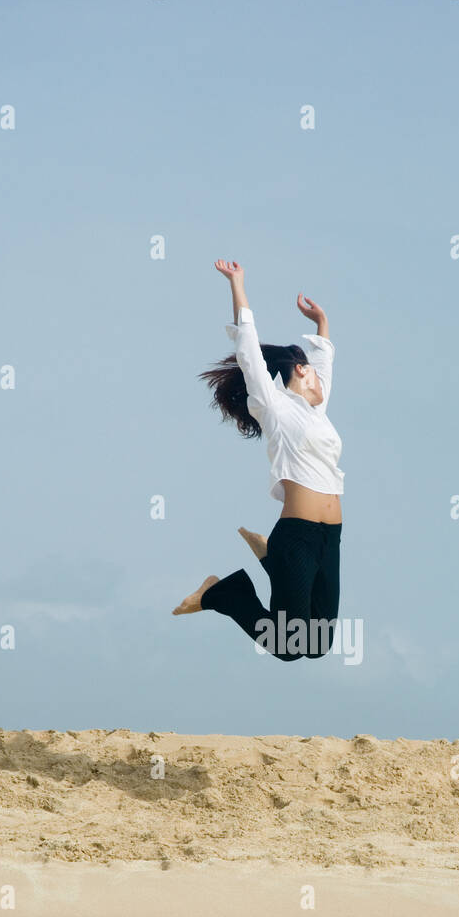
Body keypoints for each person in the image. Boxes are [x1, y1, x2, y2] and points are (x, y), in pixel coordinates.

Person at [172, 260, 343, 662]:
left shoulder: (316, 414)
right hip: (297, 533)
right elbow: (248, 351)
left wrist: (323, 326)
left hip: (329, 538)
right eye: (313, 371)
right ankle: (222, 592)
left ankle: (269, 558)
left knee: (317, 646)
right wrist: (237, 284)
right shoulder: (274, 408)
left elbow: (325, 368)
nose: (322, 378)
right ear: (300, 371)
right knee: (288, 648)